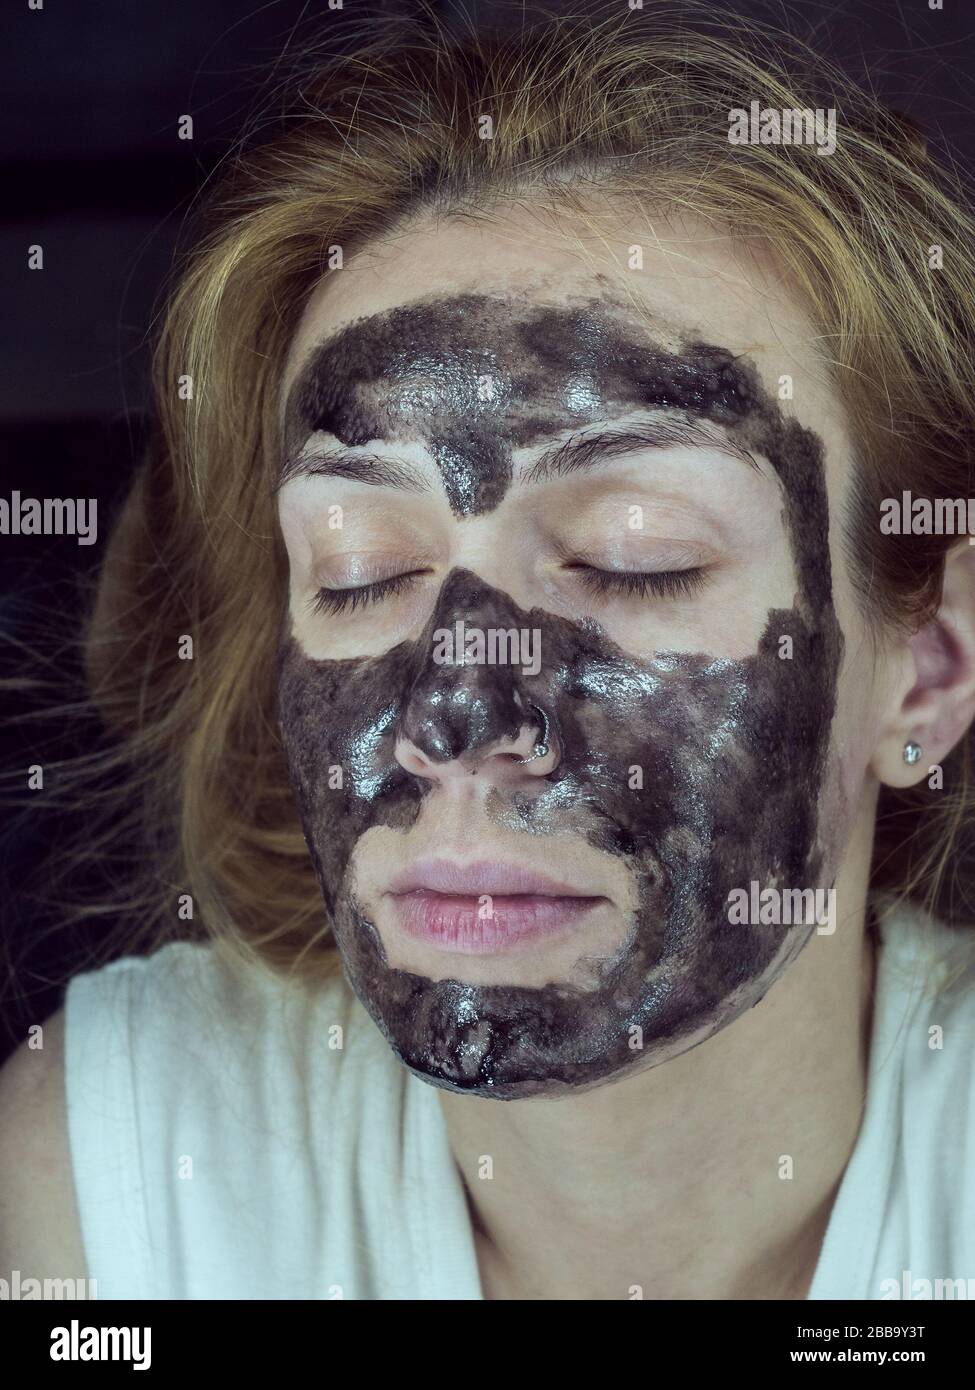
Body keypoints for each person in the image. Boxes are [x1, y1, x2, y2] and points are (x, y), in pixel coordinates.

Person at [2, 4, 974, 1301]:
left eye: (636, 555)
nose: (452, 711)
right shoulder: (115, 1173)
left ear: (933, 663)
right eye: (362, 571)